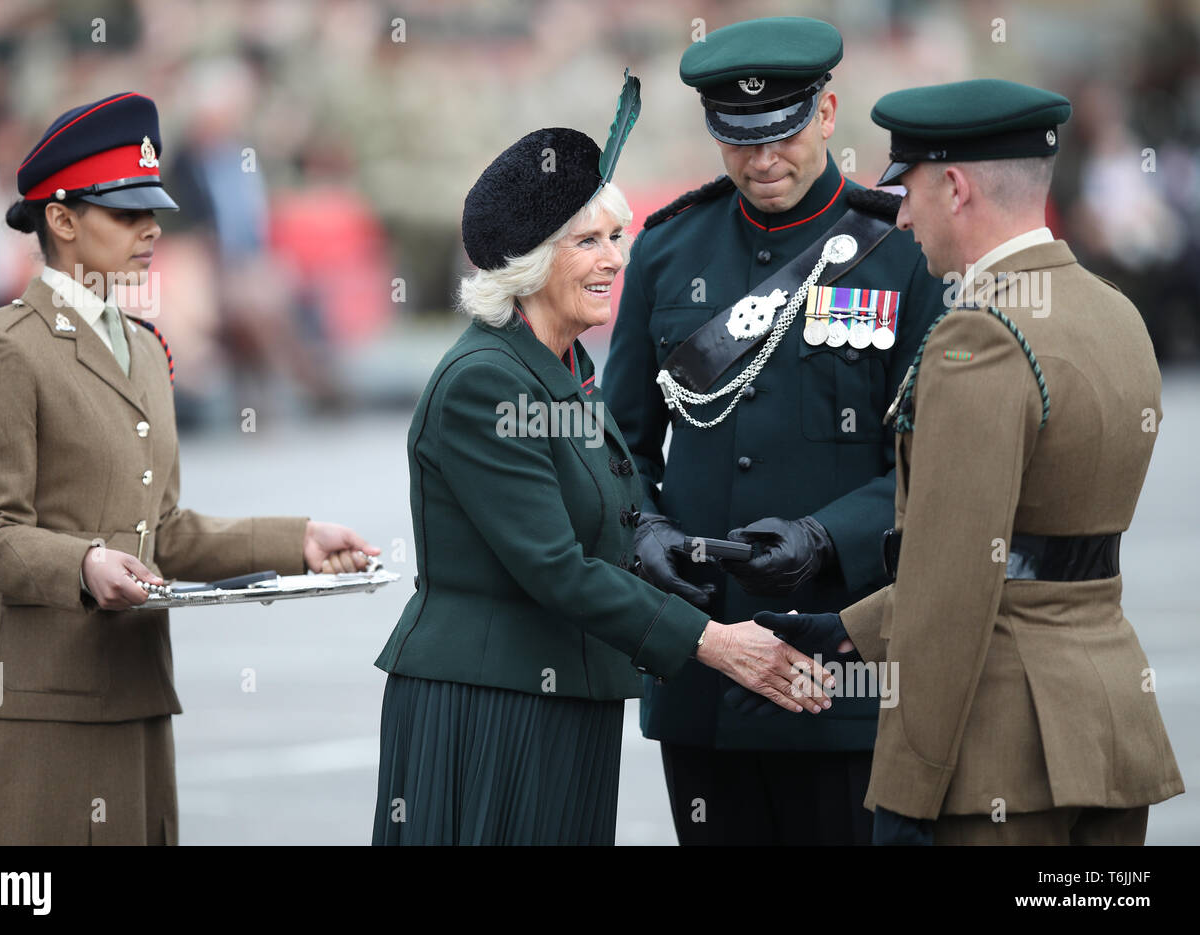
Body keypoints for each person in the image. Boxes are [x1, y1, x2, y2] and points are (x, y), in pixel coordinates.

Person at [372, 75, 834, 846]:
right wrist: (715, 641)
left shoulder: (563, 368)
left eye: (618, 237)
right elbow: (555, 567)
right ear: (528, 265)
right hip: (490, 704)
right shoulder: (487, 381)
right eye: (588, 241)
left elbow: (610, 523)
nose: (615, 260)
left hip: (561, 692)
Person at [0, 91, 378, 845]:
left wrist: (295, 541)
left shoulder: (142, 347)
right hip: (38, 702)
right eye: (125, 212)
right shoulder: (5, 347)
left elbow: (163, 529)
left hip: (133, 690)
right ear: (62, 220)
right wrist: (85, 562)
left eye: (153, 210)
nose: (150, 229)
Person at [752, 79, 1185, 845]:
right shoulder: (1115, 312)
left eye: (910, 190)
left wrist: (906, 796)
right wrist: (848, 627)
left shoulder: (976, 337)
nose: (904, 214)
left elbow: (959, 582)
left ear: (954, 187)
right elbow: (1042, 555)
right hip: (1111, 735)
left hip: (1002, 760)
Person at [601, 16, 942, 845]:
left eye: (783, 134)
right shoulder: (667, 249)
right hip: (704, 654)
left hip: (840, 656)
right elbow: (617, 442)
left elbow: (932, 465)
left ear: (827, 114)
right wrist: (638, 525)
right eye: (739, 140)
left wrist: (827, 537)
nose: (762, 161)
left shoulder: (901, 252)